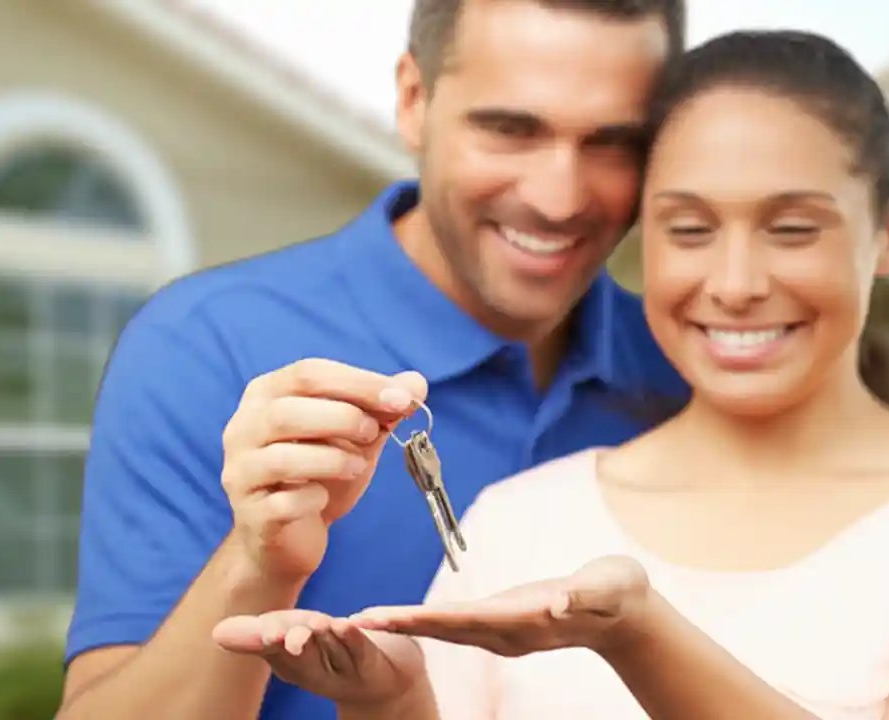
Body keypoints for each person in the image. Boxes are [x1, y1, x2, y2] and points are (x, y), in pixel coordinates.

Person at [213, 28, 889, 720]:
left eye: (793, 228)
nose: (734, 285)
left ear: (888, 230)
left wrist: (641, 639)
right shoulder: (521, 519)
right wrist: (389, 706)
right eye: (689, 230)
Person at [56, 2, 689, 719]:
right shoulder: (202, 347)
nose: (559, 197)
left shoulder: (687, 370)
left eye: (613, 142)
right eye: (510, 129)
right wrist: (257, 565)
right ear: (414, 101)